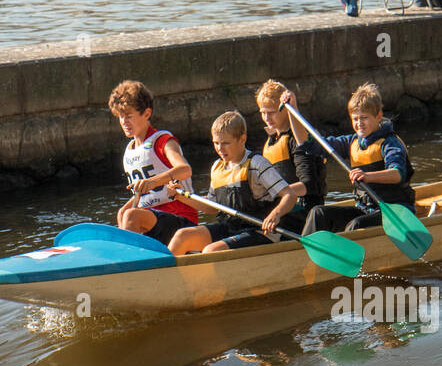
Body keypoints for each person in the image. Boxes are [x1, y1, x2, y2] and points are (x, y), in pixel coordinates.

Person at [286, 82, 416, 236]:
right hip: (365, 209)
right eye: (355, 118)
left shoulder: (390, 143)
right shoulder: (351, 142)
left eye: (364, 118)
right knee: (318, 212)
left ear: (378, 115)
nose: (359, 123)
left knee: (356, 224)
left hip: (395, 210)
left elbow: (397, 174)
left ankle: (344, 256)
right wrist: (292, 110)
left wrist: (367, 176)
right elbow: (307, 143)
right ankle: (305, 255)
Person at [167, 110, 301, 255]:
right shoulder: (217, 167)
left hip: (260, 230)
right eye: (216, 143)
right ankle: (163, 275)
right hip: (230, 227)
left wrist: (275, 214)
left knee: (211, 250)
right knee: (182, 236)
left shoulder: (256, 164)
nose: (219, 148)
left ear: (242, 139)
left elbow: (290, 195)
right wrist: (181, 197)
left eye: (225, 143)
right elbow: (212, 207)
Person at [110, 79, 197, 247]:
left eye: (129, 116)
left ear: (147, 114)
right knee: (123, 213)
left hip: (182, 220)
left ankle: (128, 264)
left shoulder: (163, 141)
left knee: (131, 216)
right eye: (121, 116)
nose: (124, 122)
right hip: (154, 220)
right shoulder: (130, 150)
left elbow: (185, 170)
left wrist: (153, 182)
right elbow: (147, 197)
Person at [256, 79, 327, 234]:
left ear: (285, 109)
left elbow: (309, 185)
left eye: (272, 112)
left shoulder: (298, 140)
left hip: (306, 210)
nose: (267, 118)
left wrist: (276, 194)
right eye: (263, 113)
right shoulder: (271, 142)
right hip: (283, 206)